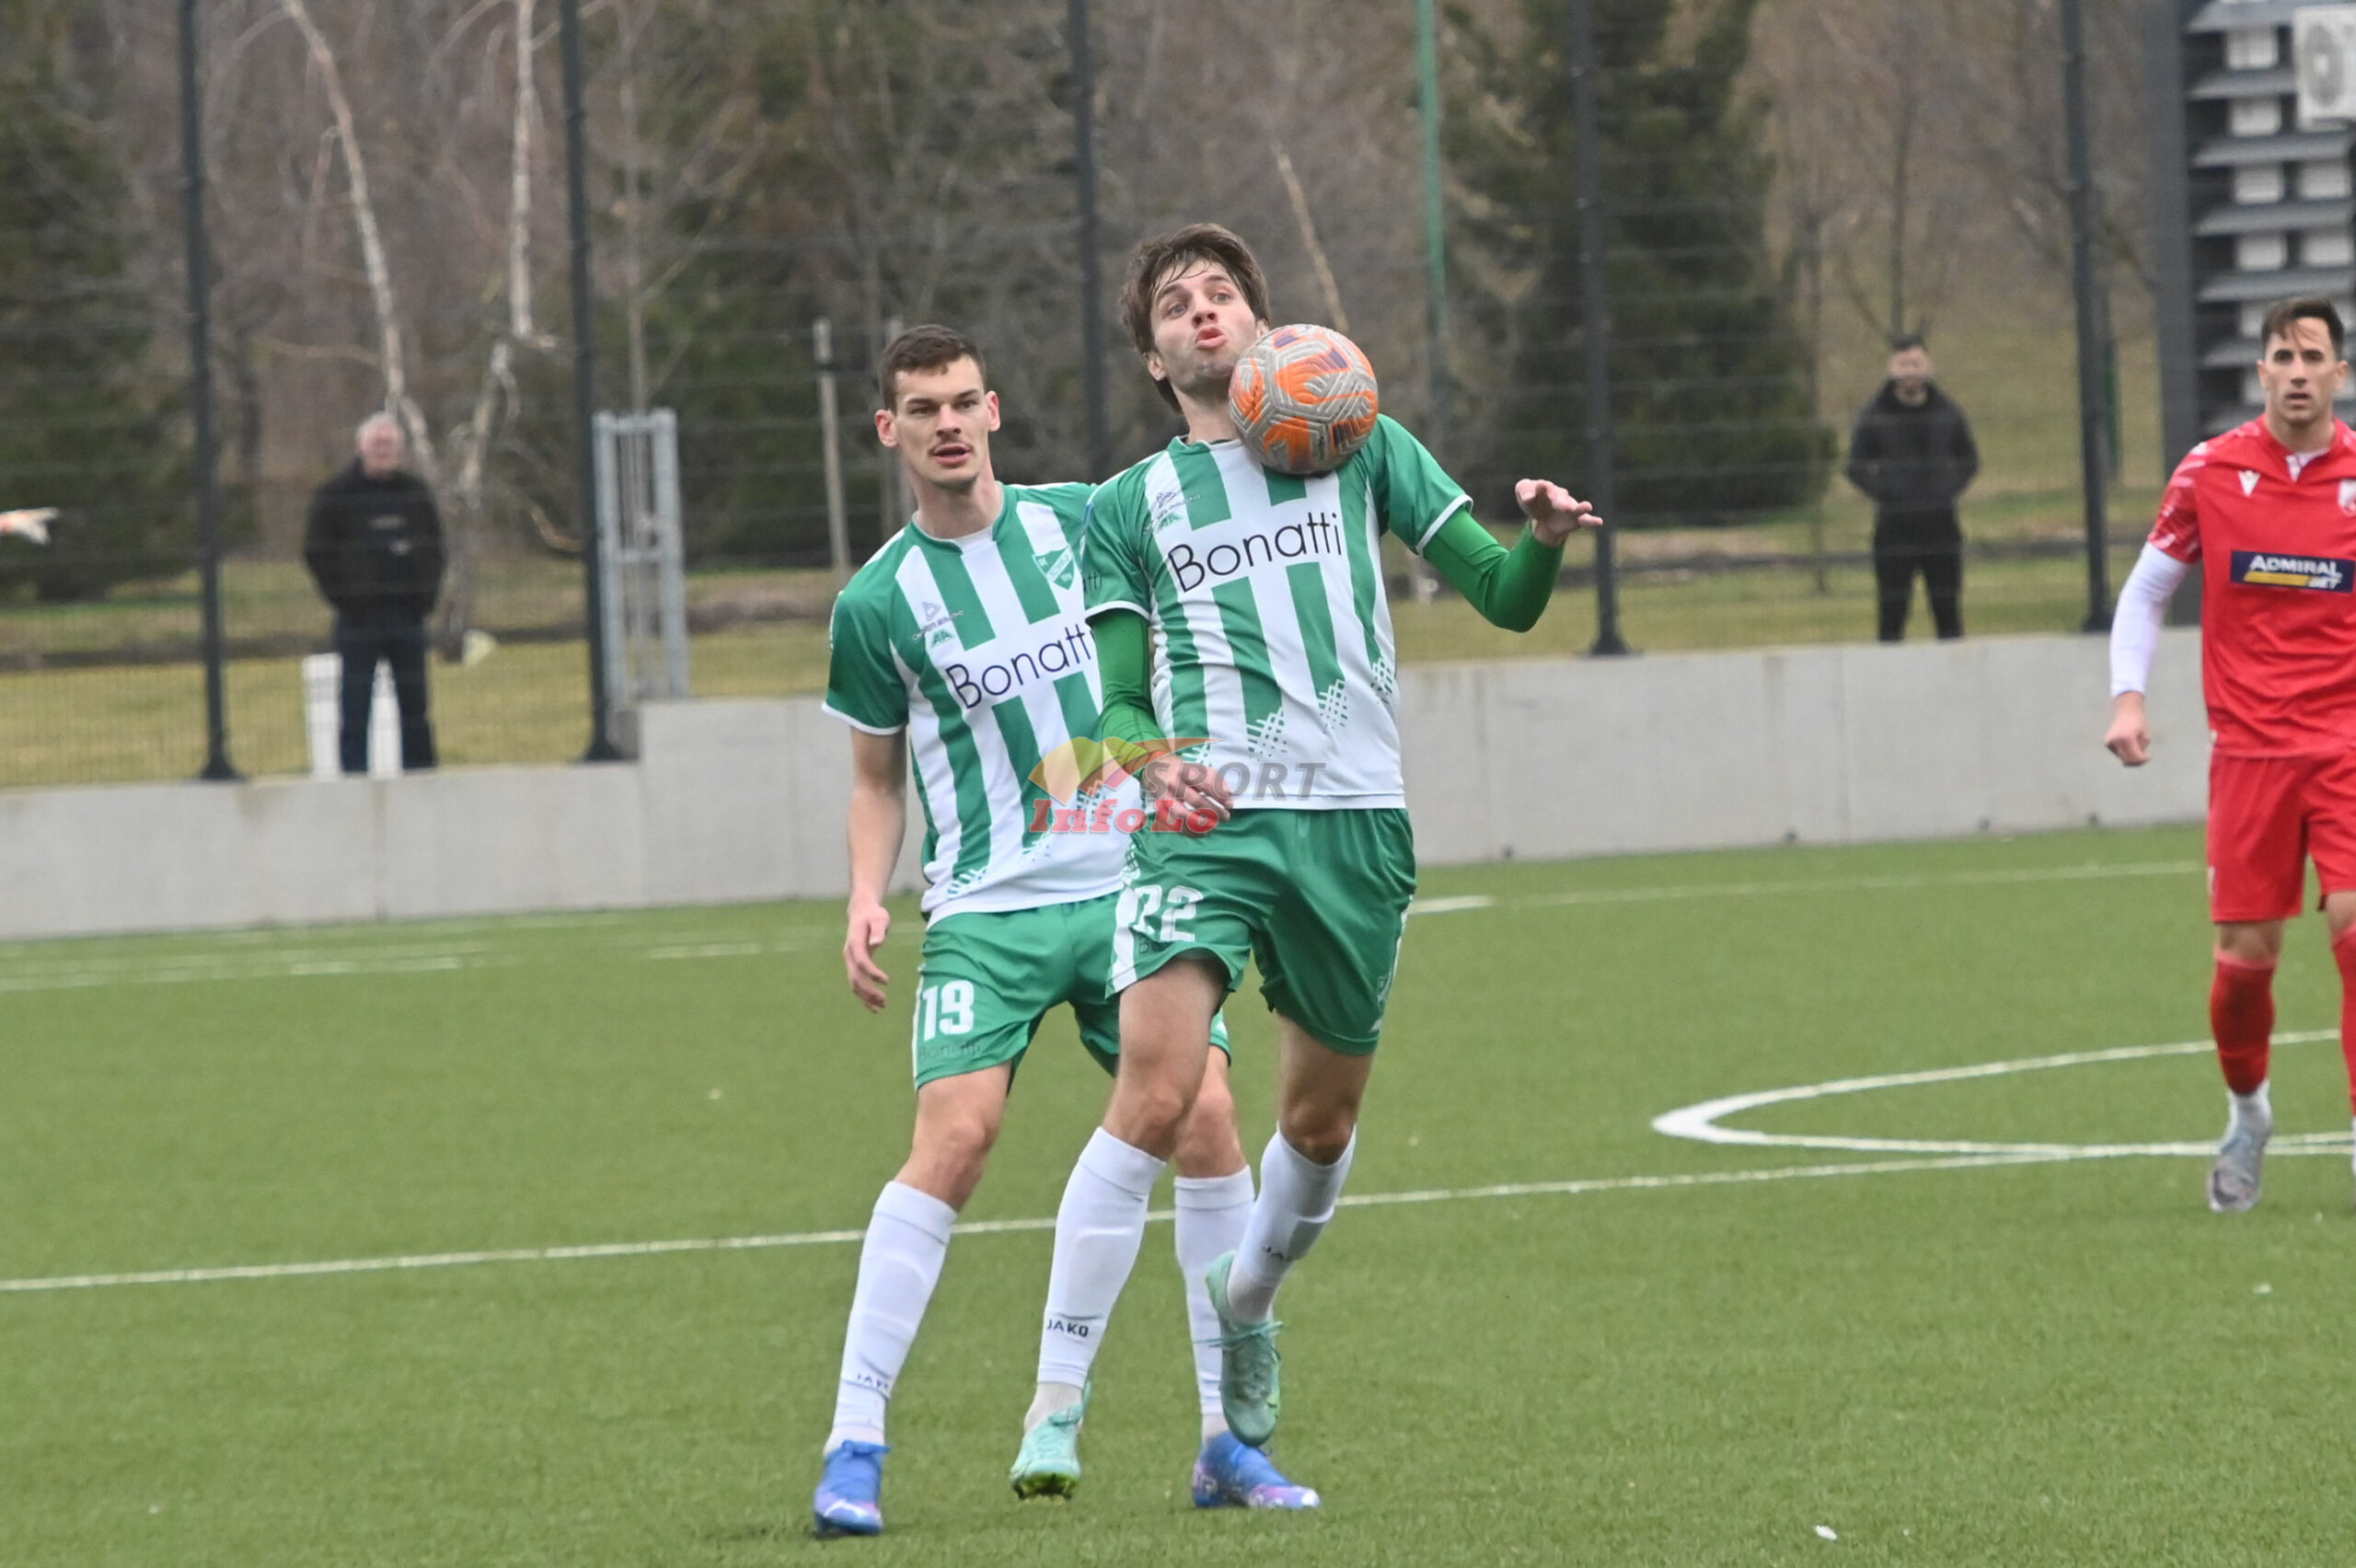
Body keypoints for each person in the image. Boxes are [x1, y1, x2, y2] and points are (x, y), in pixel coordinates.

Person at [1011, 225, 1599, 1496]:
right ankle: (1057, 1402)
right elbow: (1110, 706)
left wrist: (1544, 537)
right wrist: (1144, 760)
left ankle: (1252, 1296)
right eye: (1178, 303)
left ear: (1267, 329)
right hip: (1207, 821)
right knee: (1158, 1094)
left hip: (1355, 823)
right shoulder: (1128, 507)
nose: (1205, 311)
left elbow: (1499, 596)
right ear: (1157, 360)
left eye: (1224, 293)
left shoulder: (1362, 443)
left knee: (1319, 1127)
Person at [809, 325, 1316, 1538]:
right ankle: (855, 1442)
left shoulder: (1083, 524)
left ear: (995, 412)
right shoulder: (877, 602)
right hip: (987, 909)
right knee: (959, 1137)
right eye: (921, 408)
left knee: (1205, 1118)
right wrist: (867, 892)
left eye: (964, 402)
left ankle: (1226, 1446)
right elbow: (876, 779)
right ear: (889, 431)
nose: (947, 423)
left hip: (1132, 885)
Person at [2105, 294, 2356, 1213]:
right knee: (2243, 963)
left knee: (2354, 927)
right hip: (2249, 752)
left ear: (2339, 374)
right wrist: (2127, 696)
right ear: (2261, 373)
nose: (2296, 371)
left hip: (2346, 745)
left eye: (2312, 356)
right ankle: (2247, 1115)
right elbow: (2144, 593)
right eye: (2281, 356)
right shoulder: (2210, 472)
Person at [302, 413, 445, 772]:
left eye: (390, 444)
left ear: (399, 449)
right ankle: (353, 778)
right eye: (377, 443)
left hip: (407, 614)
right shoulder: (335, 494)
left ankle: (421, 776)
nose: (383, 450)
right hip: (358, 619)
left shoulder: (415, 493)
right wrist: (344, 595)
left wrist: (424, 596)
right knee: (354, 703)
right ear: (361, 446)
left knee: (415, 704)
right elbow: (315, 551)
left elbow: (435, 547)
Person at [1845, 335, 1978, 642]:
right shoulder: (1875, 415)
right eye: (1904, 364)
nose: (1910, 371)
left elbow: (1969, 459)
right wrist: (1887, 492)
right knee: (1892, 614)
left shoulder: (1948, 413)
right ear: (1892, 369)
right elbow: (1855, 466)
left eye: (1916, 363)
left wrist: (1947, 488)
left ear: (1928, 367)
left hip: (1941, 524)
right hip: (1894, 528)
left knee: (1948, 612)